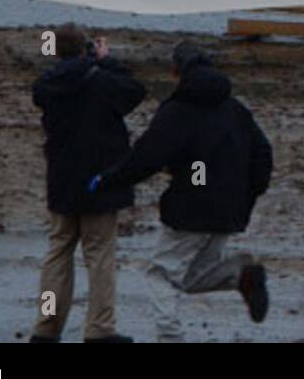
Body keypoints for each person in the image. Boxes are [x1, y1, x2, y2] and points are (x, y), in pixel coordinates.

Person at [92, 42, 273, 342]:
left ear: (177, 72)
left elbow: (146, 158)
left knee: (160, 274)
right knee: (191, 278)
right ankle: (241, 275)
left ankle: (170, 336)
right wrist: (249, 193)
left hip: (191, 207)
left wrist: (107, 180)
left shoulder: (178, 111)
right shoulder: (236, 109)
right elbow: (262, 153)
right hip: (230, 209)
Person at [29, 24, 146, 343]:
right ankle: (99, 328)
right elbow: (135, 91)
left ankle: (46, 326)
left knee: (58, 250)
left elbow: (47, 90)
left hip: (63, 175)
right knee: (99, 255)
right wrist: (106, 60)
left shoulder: (47, 85)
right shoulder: (102, 80)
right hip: (100, 178)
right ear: (86, 48)